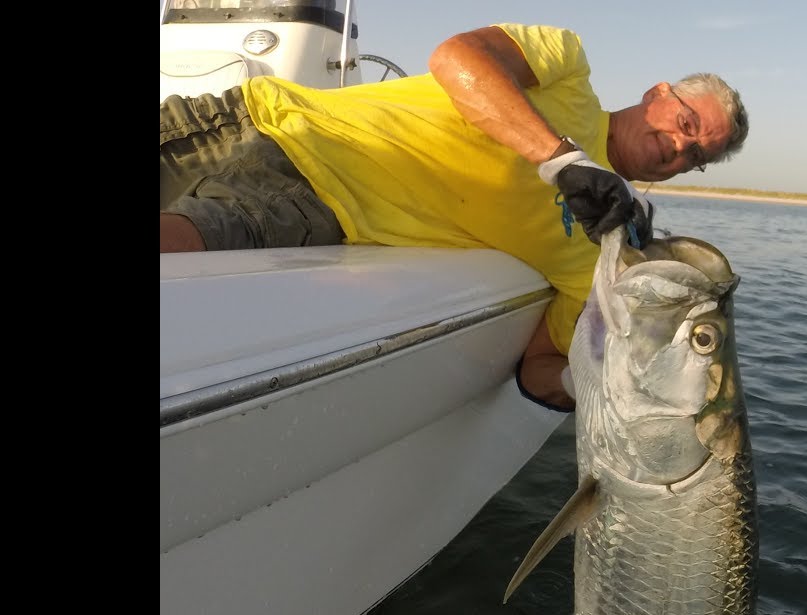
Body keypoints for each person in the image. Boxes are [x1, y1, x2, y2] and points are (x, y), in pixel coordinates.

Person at [160, 23, 749, 411]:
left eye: (697, 154)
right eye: (687, 122)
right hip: (260, 118)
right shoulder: (567, 64)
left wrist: (604, 389)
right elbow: (457, 57)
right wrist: (563, 159)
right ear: (658, 93)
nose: (679, 143)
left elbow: (539, 368)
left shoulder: (598, 252)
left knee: (181, 250)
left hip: (316, 195)